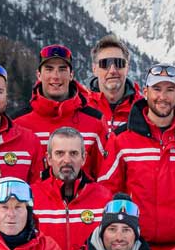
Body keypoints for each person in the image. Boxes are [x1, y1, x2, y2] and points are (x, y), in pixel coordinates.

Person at [97, 63, 175, 250]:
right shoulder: (122, 139)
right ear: (145, 92)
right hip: (136, 247)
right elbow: (106, 191)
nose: (162, 97)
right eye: (156, 89)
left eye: (170, 90)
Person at [12, 44, 108, 176]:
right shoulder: (18, 123)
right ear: (39, 75)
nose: (56, 76)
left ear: (71, 75)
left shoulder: (95, 122)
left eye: (62, 69)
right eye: (49, 69)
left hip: (82, 196)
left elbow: (106, 178)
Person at [32, 127, 114, 250]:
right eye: (59, 153)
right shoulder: (32, 198)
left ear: (84, 158)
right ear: (48, 159)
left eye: (73, 153)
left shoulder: (104, 198)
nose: (67, 160)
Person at [85, 34, 139, 136]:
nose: (113, 70)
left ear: (127, 68)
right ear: (94, 69)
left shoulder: (143, 110)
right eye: (105, 64)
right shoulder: (81, 108)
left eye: (119, 63)